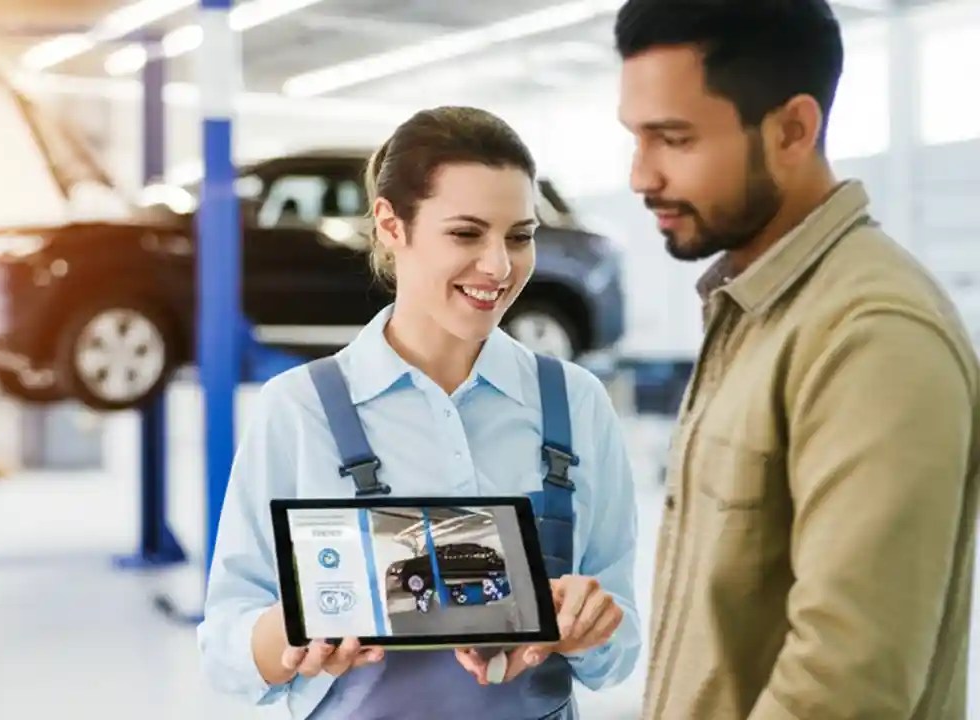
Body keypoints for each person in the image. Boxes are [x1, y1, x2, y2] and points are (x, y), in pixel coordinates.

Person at [197, 106, 642, 719]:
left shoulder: (575, 403)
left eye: (519, 235)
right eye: (466, 233)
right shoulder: (300, 410)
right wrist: (295, 636)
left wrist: (589, 625)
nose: (499, 266)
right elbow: (225, 646)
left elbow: (619, 650)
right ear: (390, 225)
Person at [613, 1, 980, 718]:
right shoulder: (756, 308)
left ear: (792, 130)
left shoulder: (871, 335)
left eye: (674, 139)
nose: (640, 176)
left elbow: (845, 687)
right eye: (636, 138)